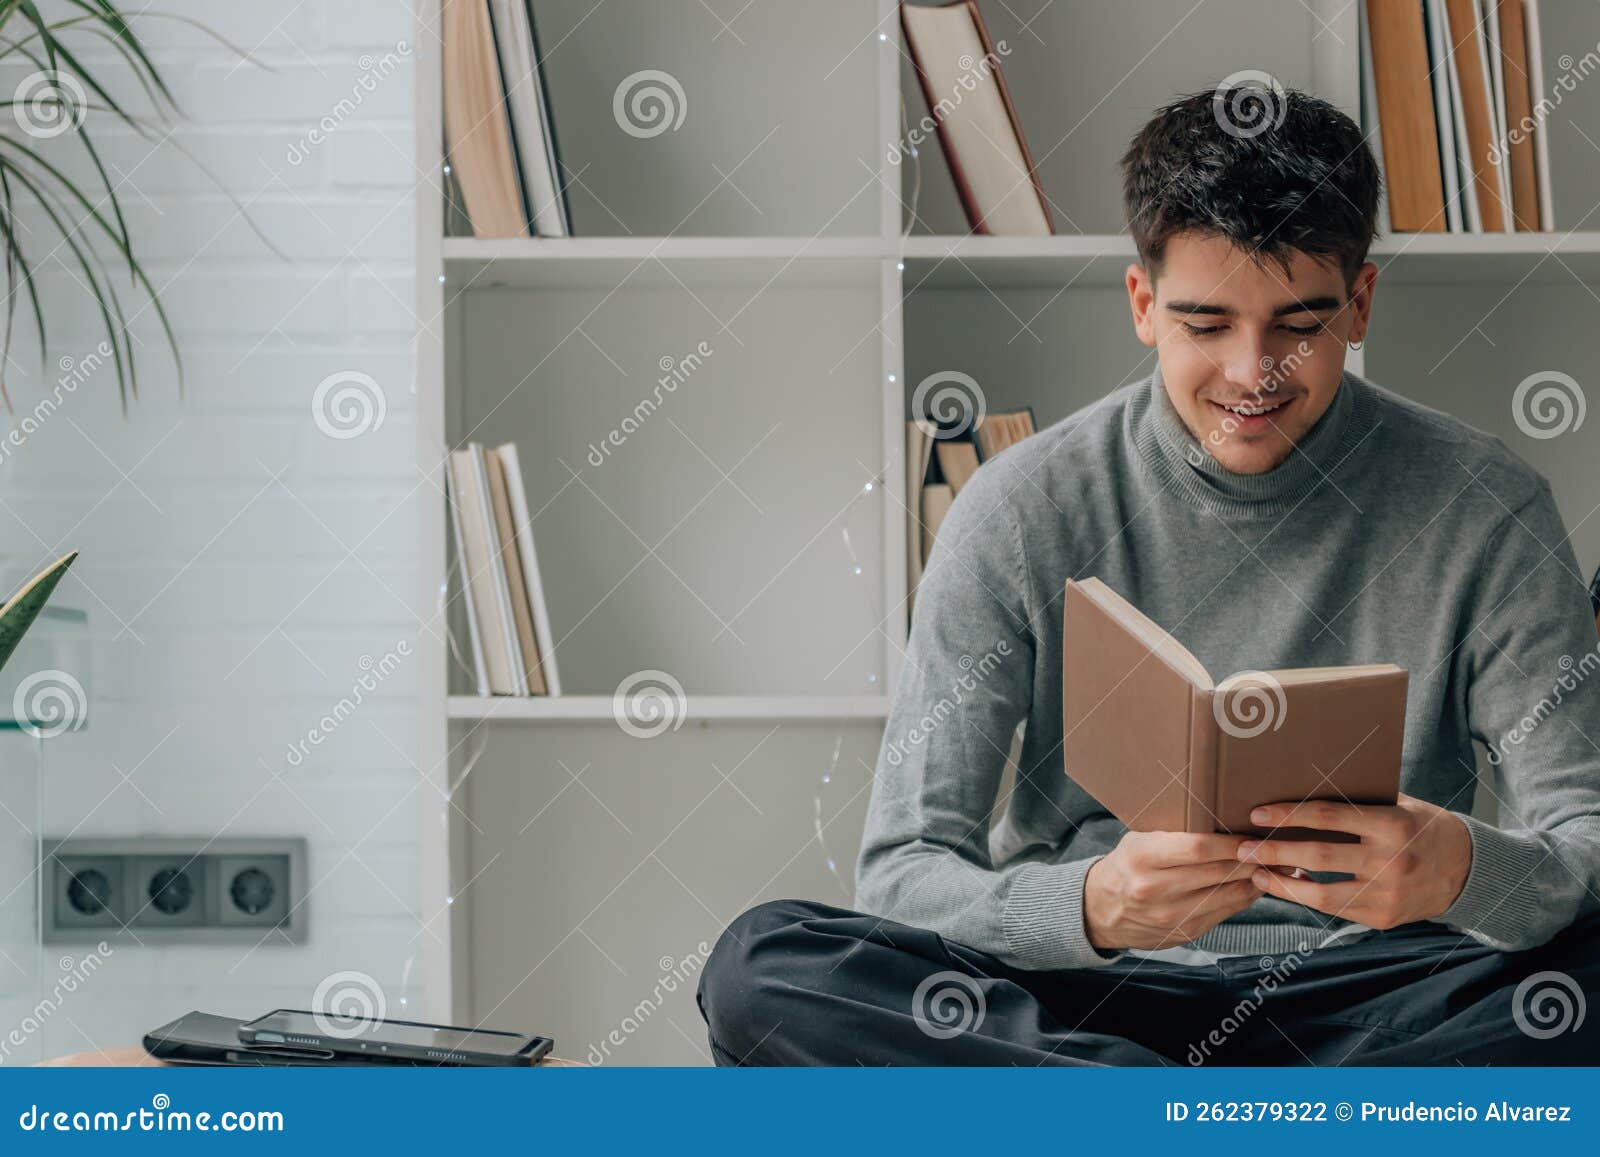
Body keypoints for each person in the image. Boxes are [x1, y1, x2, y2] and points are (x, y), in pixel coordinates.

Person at [696, 84, 1600, 1066]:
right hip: (1085, 996)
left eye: (1298, 324)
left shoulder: (1485, 505)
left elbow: (1583, 842)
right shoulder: (1018, 504)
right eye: (1205, 324)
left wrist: (1457, 870)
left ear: (1359, 302)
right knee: (763, 962)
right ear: (1142, 304)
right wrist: (1091, 903)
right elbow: (905, 870)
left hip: (1377, 997)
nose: (1250, 373)